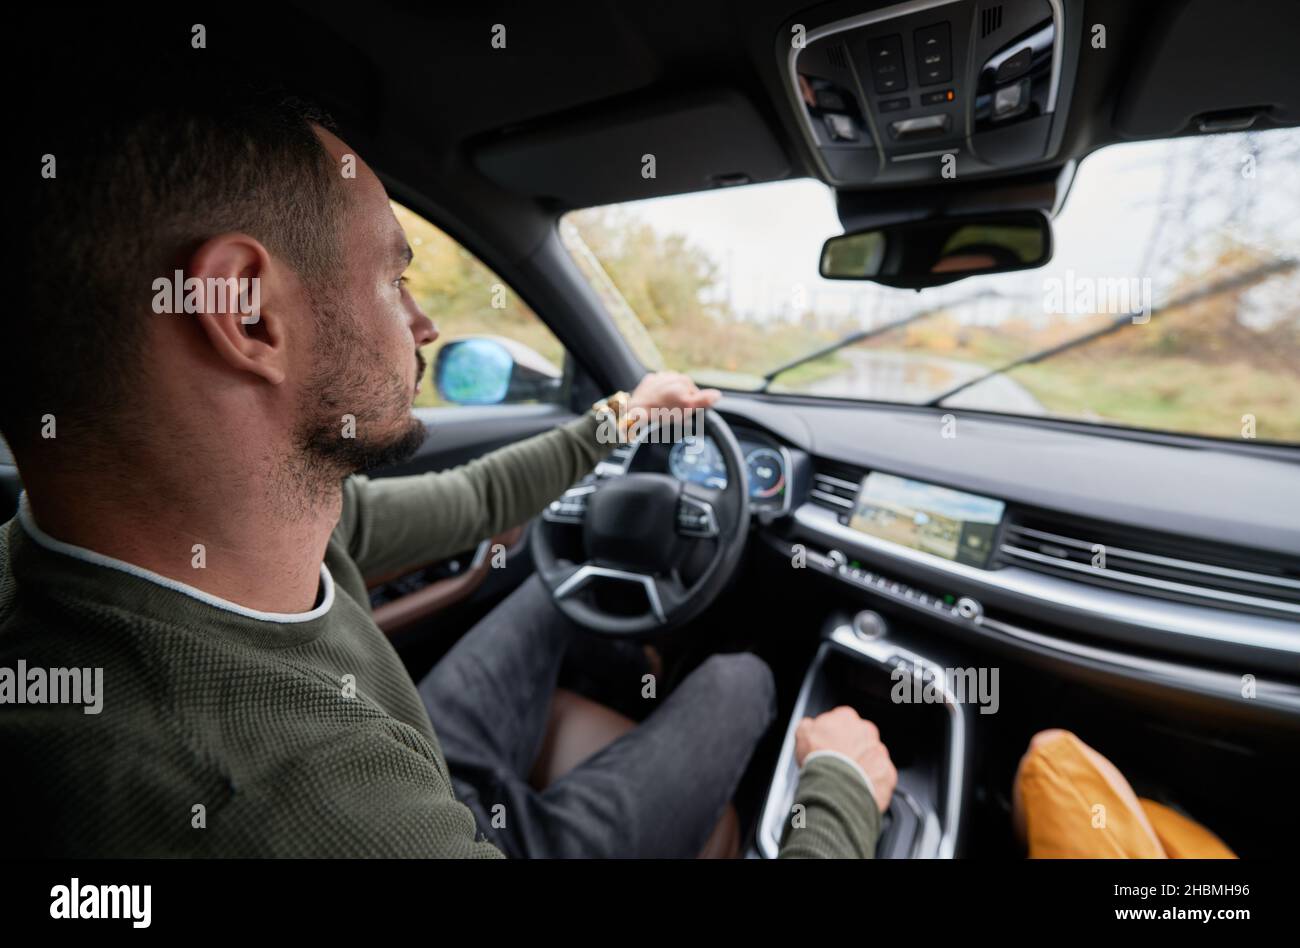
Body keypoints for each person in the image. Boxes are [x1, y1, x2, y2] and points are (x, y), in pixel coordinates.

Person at [0, 75, 895, 858]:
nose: (426, 325)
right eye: (397, 279)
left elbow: (477, 497)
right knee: (745, 678)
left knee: (549, 593)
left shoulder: (222, 533)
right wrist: (839, 799)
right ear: (246, 313)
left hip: (440, 778)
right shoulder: (291, 803)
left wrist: (622, 416)